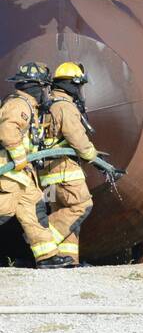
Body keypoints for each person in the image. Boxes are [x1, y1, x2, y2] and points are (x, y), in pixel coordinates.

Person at [0, 62, 72, 268]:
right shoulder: (19, 105)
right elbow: (7, 131)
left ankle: (47, 257)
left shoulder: (29, 105)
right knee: (3, 211)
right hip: (9, 173)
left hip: (22, 175)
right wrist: (19, 155)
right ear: (36, 87)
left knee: (35, 212)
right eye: (44, 88)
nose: (46, 93)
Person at [40, 62, 111, 265]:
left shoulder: (48, 104)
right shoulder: (65, 106)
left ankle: (68, 261)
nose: (80, 90)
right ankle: (41, 239)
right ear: (72, 84)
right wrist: (93, 156)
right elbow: (77, 139)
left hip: (49, 171)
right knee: (81, 205)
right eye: (78, 85)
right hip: (65, 169)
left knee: (67, 216)